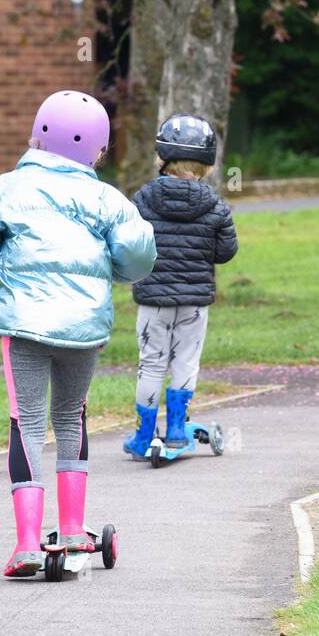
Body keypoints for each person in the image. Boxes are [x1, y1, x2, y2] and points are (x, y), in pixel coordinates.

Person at [0, 90, 156, 577]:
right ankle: (71, 530)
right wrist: (113, 272)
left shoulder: (7, 188)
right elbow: (137, 254)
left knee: (25, 421)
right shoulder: (107, 199)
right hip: (84, 326)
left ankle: (27, 544)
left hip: (23, 323)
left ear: (36, 136)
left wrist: (2, 273)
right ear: (99, 151)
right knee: (71, 416)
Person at [122, 115, 238, 458]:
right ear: (207, 165)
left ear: (162, 158)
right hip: (195, 301)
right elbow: (226, 252)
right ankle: (175, 429)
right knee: (186, 361)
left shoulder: (142, 200)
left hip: (152, 299)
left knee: (152, 363)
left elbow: (130, 243)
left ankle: (144, 435)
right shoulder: (215, 205)